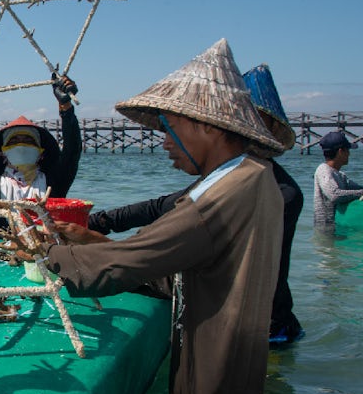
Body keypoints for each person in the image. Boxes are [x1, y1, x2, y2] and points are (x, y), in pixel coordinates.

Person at [42, 38, 286, 394]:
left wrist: (48, 253)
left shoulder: (220, 197)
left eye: (169, 126)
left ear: (208, 126)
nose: (163, 140)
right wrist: (93, 241)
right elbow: (172, 265)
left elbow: (123, 265)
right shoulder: (257, 177)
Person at [82, 63, 308, 343]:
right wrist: (96, 222)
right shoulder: (228, 178)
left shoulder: (277, 192)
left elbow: (181, 243)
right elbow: (162, 206)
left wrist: (95, 249)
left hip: (264, 332)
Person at [0, 76, 83, 202]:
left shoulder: (55, 181)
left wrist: (66, 107)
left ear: (41, 152)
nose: (21, 146)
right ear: (2, 153)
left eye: (29, 140)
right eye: (13, 141)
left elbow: (72, 151)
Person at [313, 130, 363, 237]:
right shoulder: (323, 170)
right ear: (341, 152)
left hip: (336, 228)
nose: (349, 154)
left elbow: (360, 189)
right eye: (348, 150)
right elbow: (335, 195)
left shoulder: (340, 175)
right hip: (325, 230)